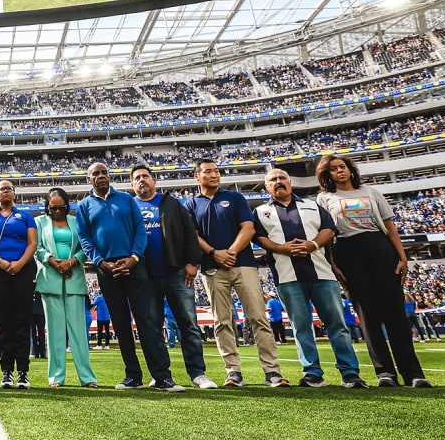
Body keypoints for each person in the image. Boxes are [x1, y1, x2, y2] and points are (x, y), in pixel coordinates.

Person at [314, 155, 431, 388]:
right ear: (327, 175)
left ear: (350, 169)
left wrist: (402, 257)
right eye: (334, 169)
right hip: (347, 251)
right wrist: (333, 263)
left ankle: (413, 373)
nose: (340, 171)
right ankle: (385, 373)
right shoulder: (324, 198)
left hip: (379, 247)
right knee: (367, 316)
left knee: (395, 312)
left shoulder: (371, 191)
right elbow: (327, 234)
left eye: (342, 167)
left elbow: (390, 227)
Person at [253, 168, 367, 388]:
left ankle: (350, 373)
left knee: (337, 324)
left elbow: (329, 229)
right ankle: (313, 372)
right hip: (287, 276)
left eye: (282, 178)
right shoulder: (260, 211)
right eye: (272, 180)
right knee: (301, 326)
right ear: (266, 186)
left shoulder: (312, 205)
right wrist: (280, 248)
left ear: (290, 182)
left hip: (322, 273)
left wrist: (312, 244)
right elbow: (258, 237)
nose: (278, 182)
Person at [76, 163, 183, 392]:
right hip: (105, 268)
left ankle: (163, 377)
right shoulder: (84, 206)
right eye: (96, 174)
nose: (101, 176)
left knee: (147, 322)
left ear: (110, 176)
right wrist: (100, 262)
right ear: (89, 179)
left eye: (105, 172)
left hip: (134, 265)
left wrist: (134, 258)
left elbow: (139, 230)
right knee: (121, 325)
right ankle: (133, 376)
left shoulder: (127, 199)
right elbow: (84, 238)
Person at [185, 159, 288, 388]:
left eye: (216, 171)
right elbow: (192, 235)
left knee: (258, 317)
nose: (214, 175)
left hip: (242, 264)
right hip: (212, 269)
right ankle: (233, 371)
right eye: (208, 172)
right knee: (222, 321)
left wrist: (229, 252)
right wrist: (214, 253)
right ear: (197, 177)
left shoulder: (235, 198)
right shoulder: (191, 204)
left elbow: (248, 228)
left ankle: (272, 371)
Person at [129, 165, 217, 389]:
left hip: (177, 271)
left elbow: (190, 232)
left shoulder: (171, 202)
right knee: (152, 327)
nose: (142, 180)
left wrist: (192, 262)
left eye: (145, 177)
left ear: (154, 181)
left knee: (188, 323)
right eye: (137, 178)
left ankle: (198, 373)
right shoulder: (129, 206)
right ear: (132, 184)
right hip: (145, 276)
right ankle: (160, 375)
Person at [0, 179, 39, 389]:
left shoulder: (26, 216)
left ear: (14, 193)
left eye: (8, 188)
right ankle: (6, 371)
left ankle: (23, 371)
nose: (5, 191)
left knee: (22, 320)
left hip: (23, 270)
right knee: (2, 320)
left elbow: (32, 243)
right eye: (1, 189)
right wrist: (0, 262)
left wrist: (20, 263)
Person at [35, 188, 96, 388]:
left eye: (61, 208)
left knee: (79, 331)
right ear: (47, 207)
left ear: (67, 206)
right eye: (53, 208)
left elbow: (85, 247)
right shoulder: (39, 222)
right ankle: (56, 377)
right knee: (54, 332)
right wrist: (52, 261)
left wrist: (72, 262)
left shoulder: (76, 222)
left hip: (74, 278)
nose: (57, 212)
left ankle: (87, 377)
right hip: (50, 279)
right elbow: (37, 247)